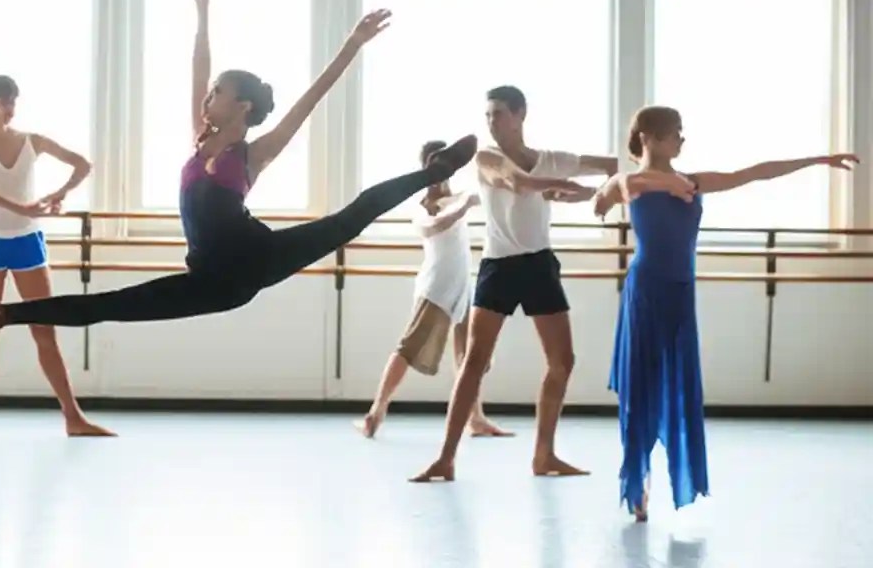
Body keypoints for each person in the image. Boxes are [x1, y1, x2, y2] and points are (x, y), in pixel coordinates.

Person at [0, 0, 479, 337]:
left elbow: (311, 99)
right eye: (211, 89)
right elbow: (198, 66)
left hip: (258, 260)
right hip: (208, 282)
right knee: (110, 305)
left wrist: (352, 45)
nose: (207, 95)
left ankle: (434, 171)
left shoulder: (254, 154)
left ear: (241, 106)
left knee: (349, 219)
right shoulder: (199, 139)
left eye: (218, 91)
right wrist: (202, 19)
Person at [592, 105, 859, 521]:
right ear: (648, 138)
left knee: (676, 385)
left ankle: (654, 470)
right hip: (645, 292)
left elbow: (752, 173)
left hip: (681, 294)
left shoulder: (692, 182)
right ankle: (637, 476)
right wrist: (655, 184)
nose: (682, 139)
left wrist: (817, 160)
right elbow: (611, 195)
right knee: (641, 384)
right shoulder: (635, 181)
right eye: (675, 132)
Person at [412, 84, 617, 482]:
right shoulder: (487, 157)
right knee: (474, 362)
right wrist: (567, 187)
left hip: (539, 265)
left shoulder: (552, 159)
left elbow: (611, 165)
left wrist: (602, 193)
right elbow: (517, 181)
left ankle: (544, 455)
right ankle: (445, 459)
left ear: (521, 115)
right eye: (488, 115)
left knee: (562, 362)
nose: (491, 122)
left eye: (499, 114)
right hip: (500, 267)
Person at [0, 74, 114, 440]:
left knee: (44, 329)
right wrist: (21, 207)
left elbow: (82, 165)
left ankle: (74, 417)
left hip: (26, 242)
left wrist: (60, 193)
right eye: (3, 100)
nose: (9, 107)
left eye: (13, 100)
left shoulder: (32, 141)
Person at [355, 140, 511, 439]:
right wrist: (463, 207)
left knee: (469, 353)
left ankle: (476, 417)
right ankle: (376, 411)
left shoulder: (458, 197)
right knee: (409, 347)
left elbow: (487, 195)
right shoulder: (423, 207)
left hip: (463, 285)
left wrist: (508, 179)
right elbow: (434, 226)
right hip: (437, 287)